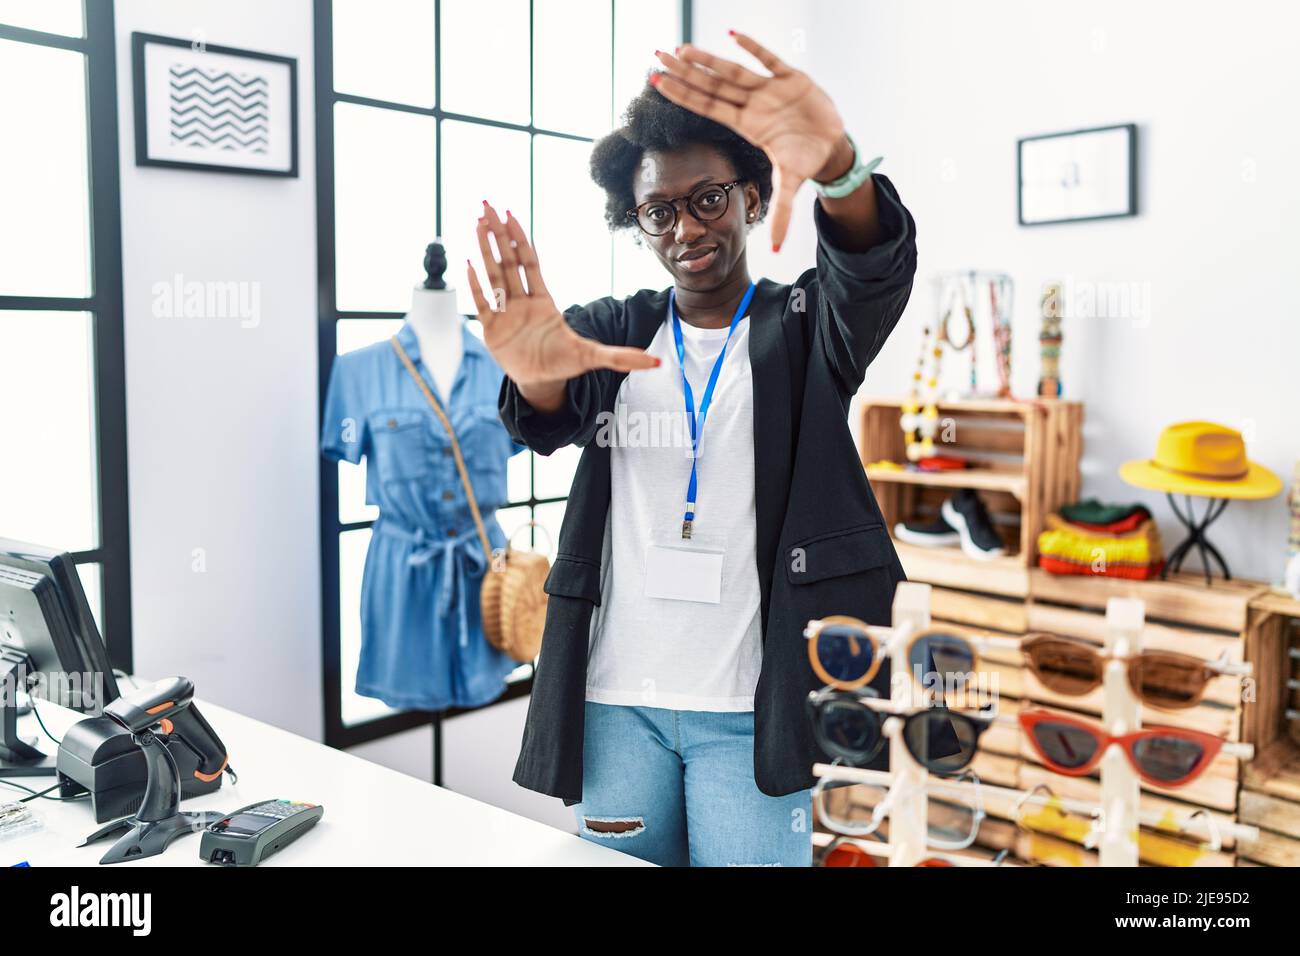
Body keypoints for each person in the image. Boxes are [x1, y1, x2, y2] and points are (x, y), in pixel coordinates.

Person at [466, 31, 917, 866]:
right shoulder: (614, 331)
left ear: (750, 196)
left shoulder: (804, 328)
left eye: (707, 198)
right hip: (614, 707)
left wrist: (840, 168)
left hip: (753, 711)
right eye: (658, 212)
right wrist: (534, 377)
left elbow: (870, 269)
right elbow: (550, 413)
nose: (685, 228)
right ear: (635, 223)